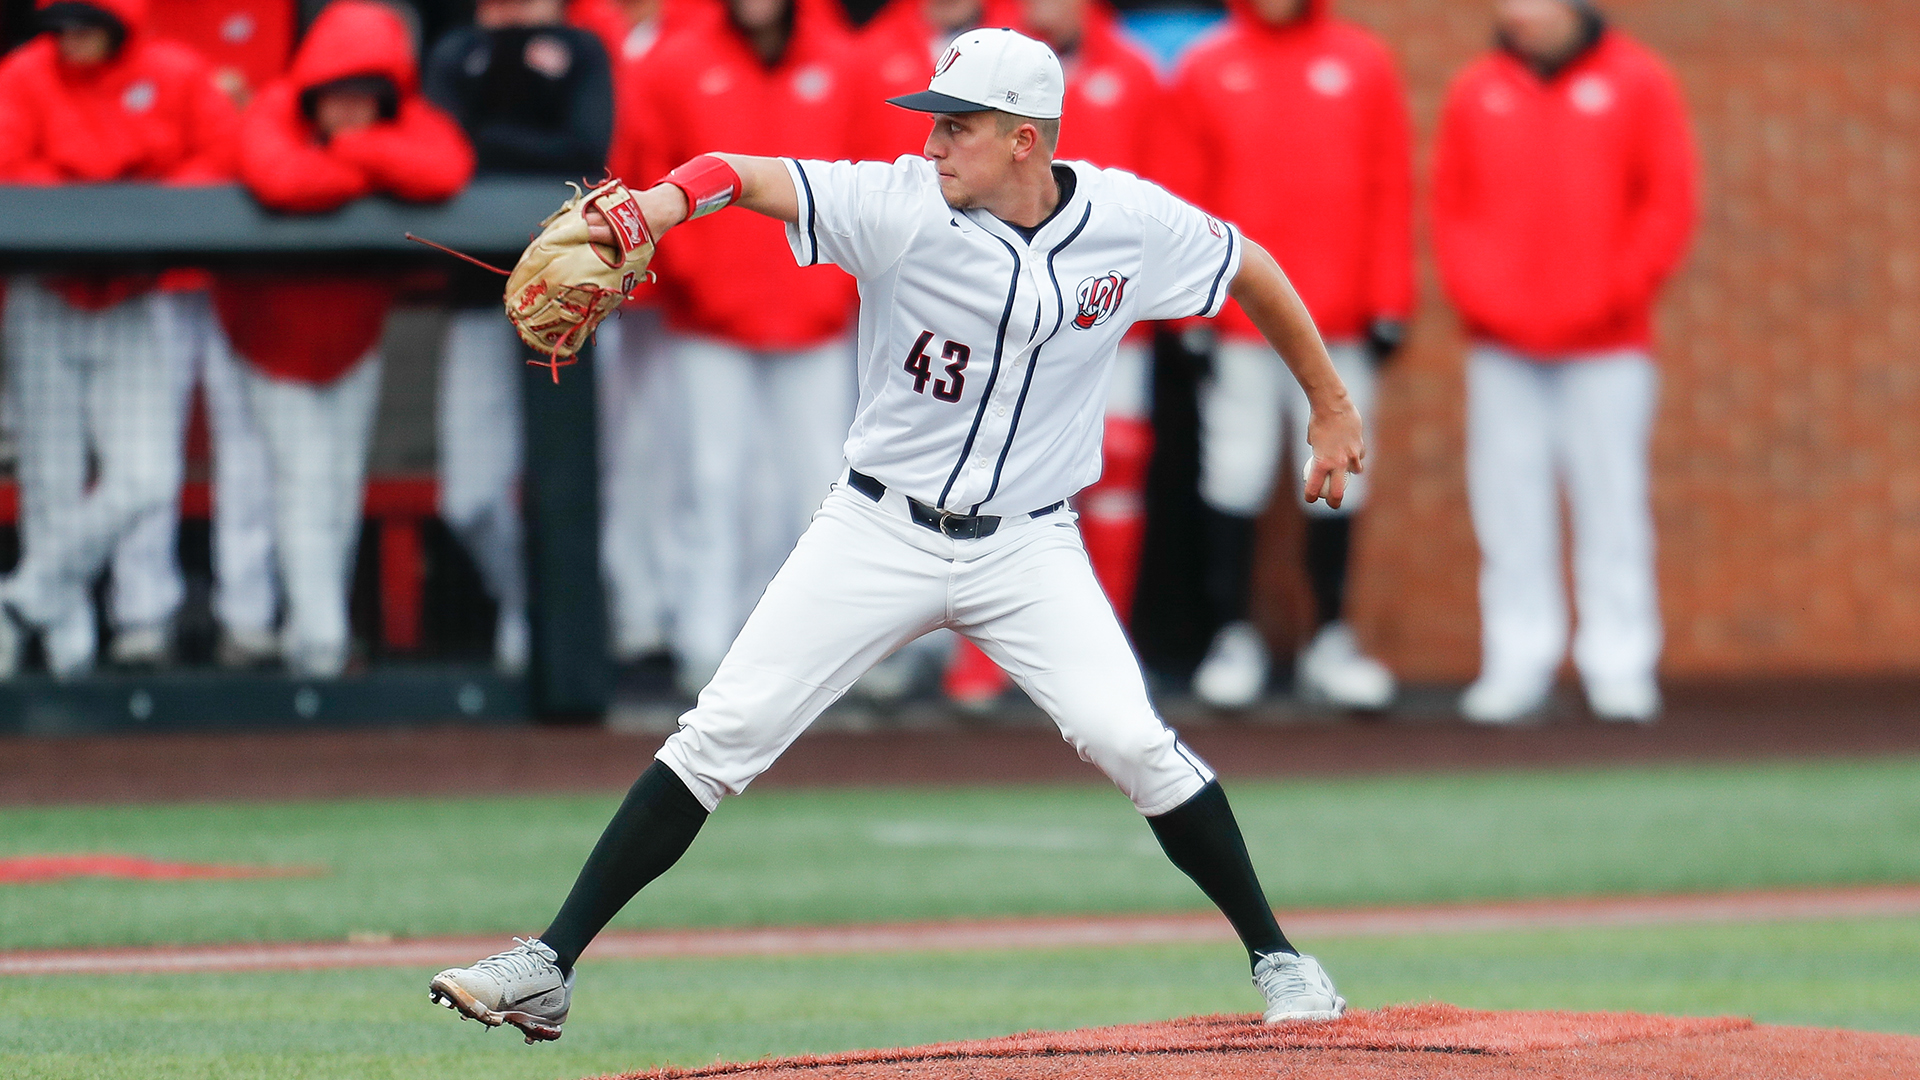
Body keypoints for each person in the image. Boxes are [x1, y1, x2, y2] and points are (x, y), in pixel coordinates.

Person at [428, 28, 1361, 1040]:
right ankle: (548, 964)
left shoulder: (1127, 222)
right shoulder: (899, 209)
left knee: (1132, 737)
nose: (933, 145)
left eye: (956, 127)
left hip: (1027, 549)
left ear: (1024, 139)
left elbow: (1249, 265)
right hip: (876, 529)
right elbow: (743, 173)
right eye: (932, 124)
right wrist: (660, 204)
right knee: (723, 733)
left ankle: (1282, 959)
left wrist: (1330, 403)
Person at [1433, 0, 1695, 725]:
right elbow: (1450, 205)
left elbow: (1667, 202)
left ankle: (1620, 661)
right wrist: (1480, 298)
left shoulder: (1639, 81)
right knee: (1509, 505)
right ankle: (1517, 659)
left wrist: (1615, 295)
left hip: (1608, 345)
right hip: (1502, 345)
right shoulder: (1476, 88)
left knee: (1611, 501)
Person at [214, 0, 473, 678]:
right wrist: (372, 169)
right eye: (340, 98)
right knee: (299, 482)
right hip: (266, 331)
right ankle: (321, 645)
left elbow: (444, 167)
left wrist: (352, 151)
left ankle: (312, 635)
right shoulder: (274, 107)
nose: (353, 111)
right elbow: (278, 177)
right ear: (313, 90)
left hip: (354, 330)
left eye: (368, 99)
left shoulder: (404, 123)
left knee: (336, 481)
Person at [1167, 0, 1412, 710]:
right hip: (1239, 320)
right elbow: (1183, 194)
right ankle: (1233, 638)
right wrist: (1191, 311)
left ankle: (1331, 639)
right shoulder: (1209, 64)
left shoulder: (1362, 61)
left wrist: (1389, 301)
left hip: (1337, 317)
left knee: (1344, 477)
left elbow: (1389, 184)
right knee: (1234, 473)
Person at [618, 0, 861, 695]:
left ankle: (816, 652)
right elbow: (647, 172)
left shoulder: (842, 61)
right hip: (708, 316)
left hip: (814, 313)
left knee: (819, 487)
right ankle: (704, 645)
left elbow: (874, 179)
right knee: (709, 480)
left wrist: (842, 285)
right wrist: (690, 278)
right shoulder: (675, 63)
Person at [0, 0, 238, 677]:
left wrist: (126, 202)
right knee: (51, 486)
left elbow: (220, 158)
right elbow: (9, 165)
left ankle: (17, 605)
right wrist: (116, 181)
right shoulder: (22, 73)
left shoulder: (174, 71)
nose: (72, 38)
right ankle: (66, 653)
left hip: (133, 298)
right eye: (63, 25)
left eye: (87, 24)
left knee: (146, 477)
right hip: (44, 294)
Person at [939, 0, 1166, 707]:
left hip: (1105, 299)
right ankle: (982, 658)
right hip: (1002, 298)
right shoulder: (984, 57)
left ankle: (1104, 652)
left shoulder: (1132, 69)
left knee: (1119, 459)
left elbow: (1167, 190)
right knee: (990, 465)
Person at [105, 0, 295, 669]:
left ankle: (249, 616)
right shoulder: (133, 20)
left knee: (248, 449)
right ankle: (140, 617)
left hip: (241, 266)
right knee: (143, 450)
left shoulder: (274, 13)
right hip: (152, 271)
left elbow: (300, 106)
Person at [424, 0, 612, 673]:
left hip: (575, 297)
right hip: (477, 299)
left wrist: (488, 143)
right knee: (468, 495)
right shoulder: (455, 51)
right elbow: (441, 153)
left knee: (580, 484)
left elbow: (587, 151)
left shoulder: (582, 48)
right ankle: (522, 600)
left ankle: (578, 632)